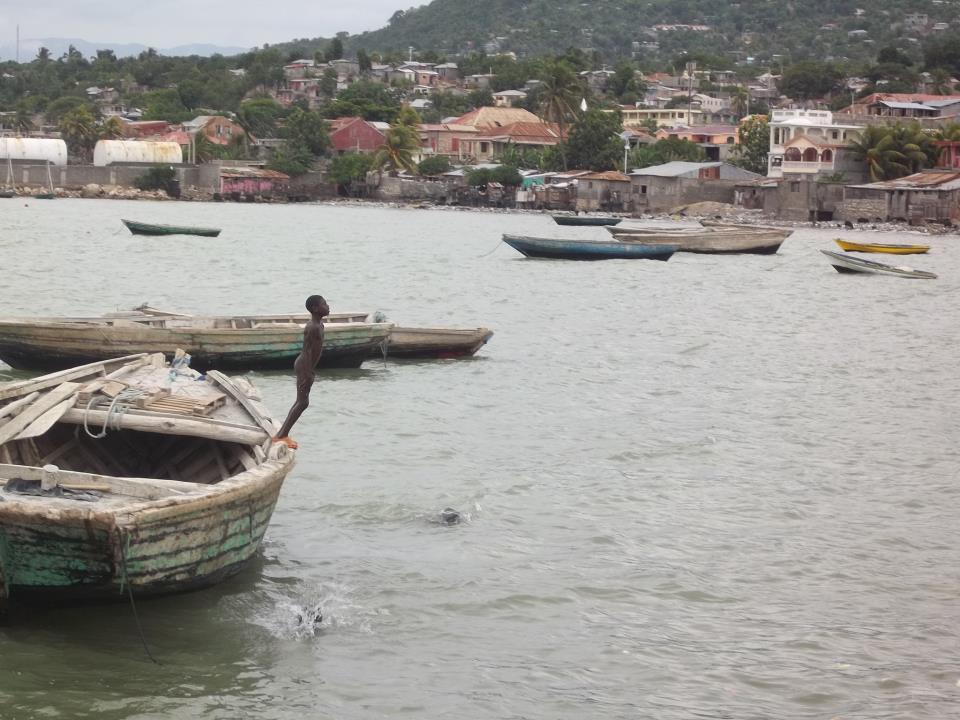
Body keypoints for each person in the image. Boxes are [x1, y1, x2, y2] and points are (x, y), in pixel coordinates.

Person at [274, 295, 329, 449]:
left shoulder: (320, 325)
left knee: (301, 401)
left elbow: (315, 351)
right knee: (303, 402)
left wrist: (311, 369)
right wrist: (308, 372)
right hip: (304, 365)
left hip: (307, 365)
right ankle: (281, 436)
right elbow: (308, 351)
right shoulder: (312, 327)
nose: (328, 306)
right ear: (315, 309)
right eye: (324, 304)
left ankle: (282, 433)